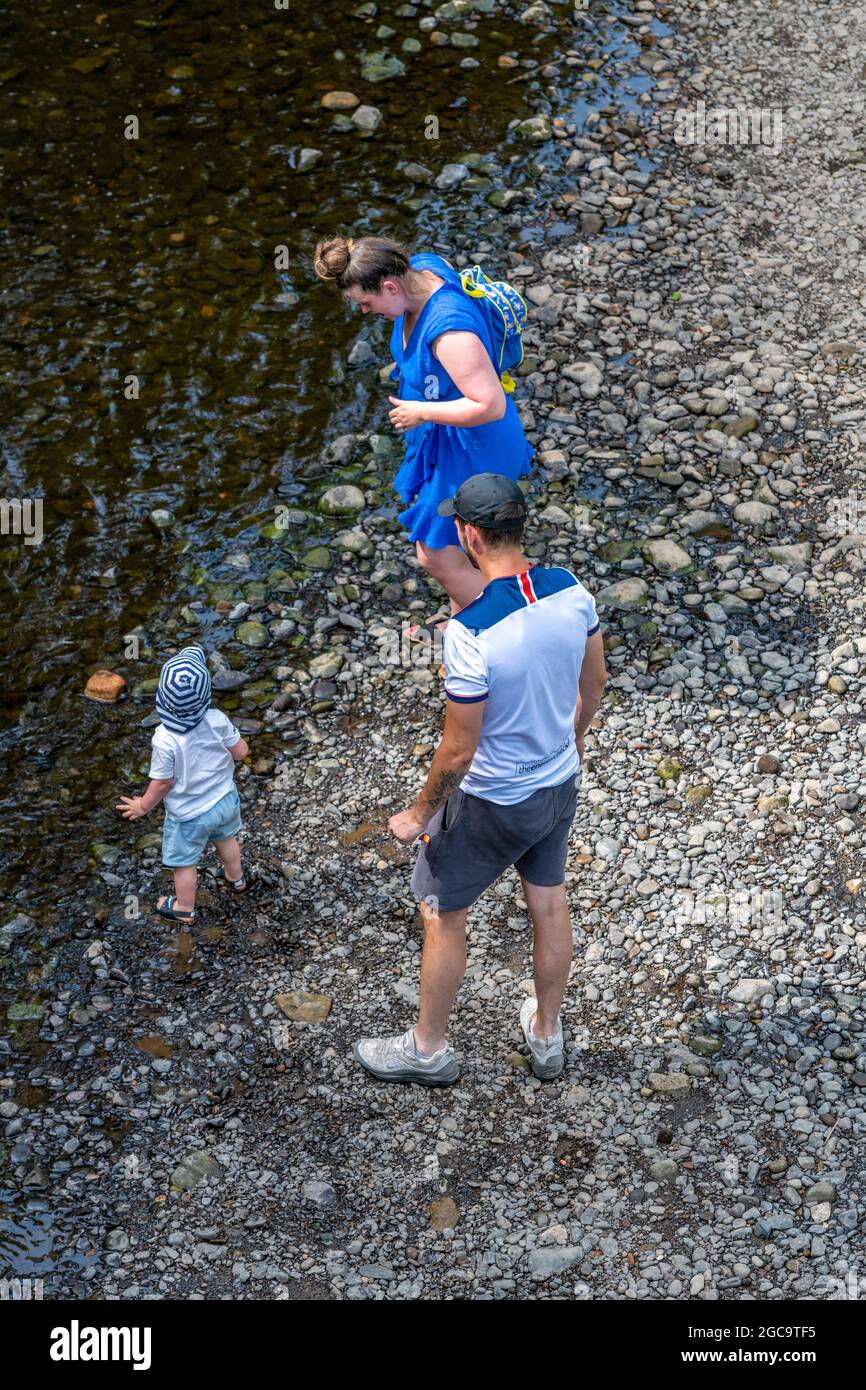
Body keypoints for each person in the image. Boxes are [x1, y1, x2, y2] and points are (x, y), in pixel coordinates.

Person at [353, 474, 608, 1086]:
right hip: (557, 783)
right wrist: (571, 742)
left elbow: (459, 750)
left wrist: (418, 816)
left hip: (493, 801)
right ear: (519, 526)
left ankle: (427, 1050)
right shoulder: (571, 591)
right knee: (547, 900)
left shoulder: (469, 632)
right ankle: (546, 1034)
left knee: (440, 911)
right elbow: (594, 684)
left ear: (468, 533)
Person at [312, 234, 534, 623]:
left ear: (390, 286)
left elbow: (490, 404)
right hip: (449, 441)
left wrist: (423, 411)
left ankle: (520, 624)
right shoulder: (424, 267)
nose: (365, 311)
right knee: (466, 543)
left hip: (475, 448)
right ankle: (467, 621)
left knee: (434, 553)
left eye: (366, 302)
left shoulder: (450, 333)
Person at [115, 646, 250, 922]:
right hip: (224, 800)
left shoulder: (164, 739)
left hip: (189, 816)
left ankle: (184, 908)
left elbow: (163, 782)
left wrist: (143, 805)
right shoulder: (217, 719)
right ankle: (236, 880)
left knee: (184, 863)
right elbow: (241, 752)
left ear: (162, 700)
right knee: (227, 840)